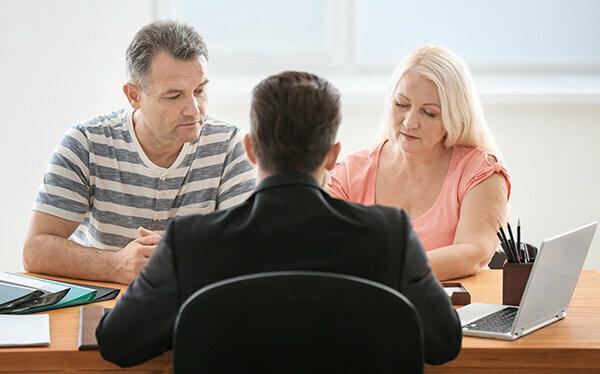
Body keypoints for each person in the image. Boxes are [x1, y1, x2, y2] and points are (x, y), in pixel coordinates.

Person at [96, 71, 462, 367]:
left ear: (251, 149)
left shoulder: (190, 241)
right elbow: (444, 343)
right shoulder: (390, 235)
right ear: (333, 156)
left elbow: (119, 343)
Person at [22, 21, 255, 284]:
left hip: (193, 310)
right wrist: (115, 265)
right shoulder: (85, 143)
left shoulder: (228, 145)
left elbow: (245, 252)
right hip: (104, 311)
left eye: (199, 91)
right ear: (134, 95)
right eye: (173, 96)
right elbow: (35, 249)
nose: (194, 109)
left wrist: (178, 253)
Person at [328, 45, 510, 281]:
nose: (410, 122)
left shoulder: (481, 172)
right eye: (401, 105)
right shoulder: (350, 172)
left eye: (429, 112)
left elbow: (472, 254)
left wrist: (383, 268)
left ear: (454, 116)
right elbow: (324, 249)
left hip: (453, 312)